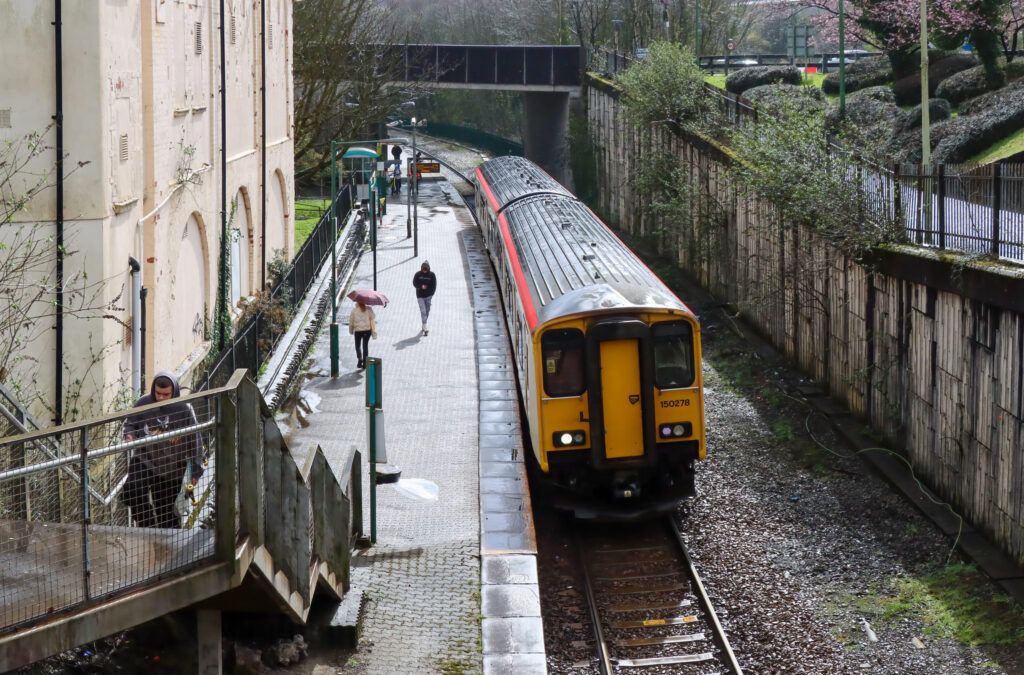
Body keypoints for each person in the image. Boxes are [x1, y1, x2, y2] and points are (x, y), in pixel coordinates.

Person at [122, 371, 205, 528]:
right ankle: (148, 527)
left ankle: (170, 545)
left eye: (165, 394)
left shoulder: (185, 409)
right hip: (145, 459)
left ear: (173, 392)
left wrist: (196, 470)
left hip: (171, 468)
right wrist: (129, 436)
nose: (160, 398)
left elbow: (195, 441)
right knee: (131, 490)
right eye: (158, 393)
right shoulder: (143, 403)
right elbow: (130, 423)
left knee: (166, 514)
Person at [349, 301, 377, 369]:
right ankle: (365, 363)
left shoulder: (354, 311)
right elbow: (373, 316)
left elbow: (351, 321)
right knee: (365, 346)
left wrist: (351, 330)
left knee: (357, 346)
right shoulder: (368, 309)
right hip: (367, 331)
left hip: (358, 331)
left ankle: (359, 359)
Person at [413, 260, 437, 336]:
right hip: (420, 296)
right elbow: (414, 283)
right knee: (423, 310)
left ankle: (424, 324)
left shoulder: (432, 275)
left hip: (428, 296)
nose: (424, 271)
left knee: (427, 310)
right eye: (423, 269)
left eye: (426, 269)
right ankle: (425, 325)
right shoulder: (418, 274)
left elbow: (434, 285)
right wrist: (420, 286)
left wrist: (431, 293)